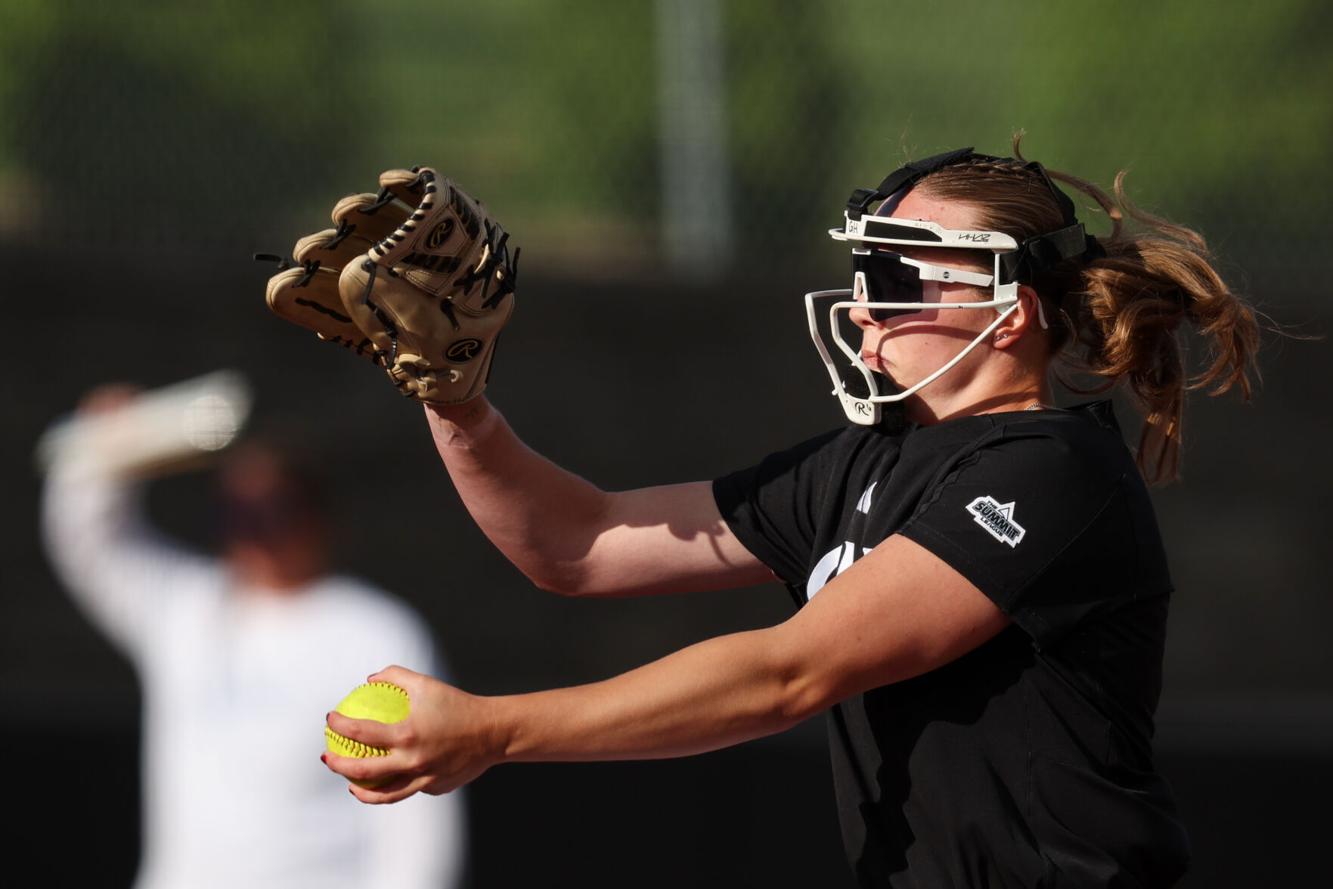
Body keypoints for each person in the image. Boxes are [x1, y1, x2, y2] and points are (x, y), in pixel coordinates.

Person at [320, 143, 1259, 888]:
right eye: (864, 272)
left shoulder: (1054, 472)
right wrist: (453, 400)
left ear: (1007, 314)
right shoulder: (859, 463)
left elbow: (787, 673)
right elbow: (578, 543)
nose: (861, 307)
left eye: (897, 278)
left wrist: (494, 730)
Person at [41, 388, 467, 889]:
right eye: (237, 512)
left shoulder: (377, 631)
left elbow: (418, 833)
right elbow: (87, 540)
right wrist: (113, 440)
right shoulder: (185, 607)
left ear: (319, 516)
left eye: (274, 509)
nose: (254, 531)